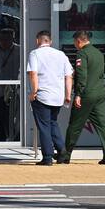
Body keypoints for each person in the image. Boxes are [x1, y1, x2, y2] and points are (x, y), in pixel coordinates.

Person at [60, 30, 105, 165]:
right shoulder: (98, 53)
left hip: (86, 94)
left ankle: (65, 156)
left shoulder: (82, 53)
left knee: (75, 125)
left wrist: (78, 94)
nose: (75, 46)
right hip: (99, 93)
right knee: (102, 125)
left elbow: (82, 75)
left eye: (75, 43)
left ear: (79, 41)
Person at [27, 30, 73, 166]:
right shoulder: (61, 54)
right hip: (58, 97)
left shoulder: (34, 54)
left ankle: (47, 157)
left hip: (42, 95)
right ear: (50, 41)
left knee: (44, 126)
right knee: (53, 123)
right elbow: (69, 76)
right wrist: (68, 95)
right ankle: (62, 152)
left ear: (37, 41)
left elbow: (33, 74)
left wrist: (33, 92)